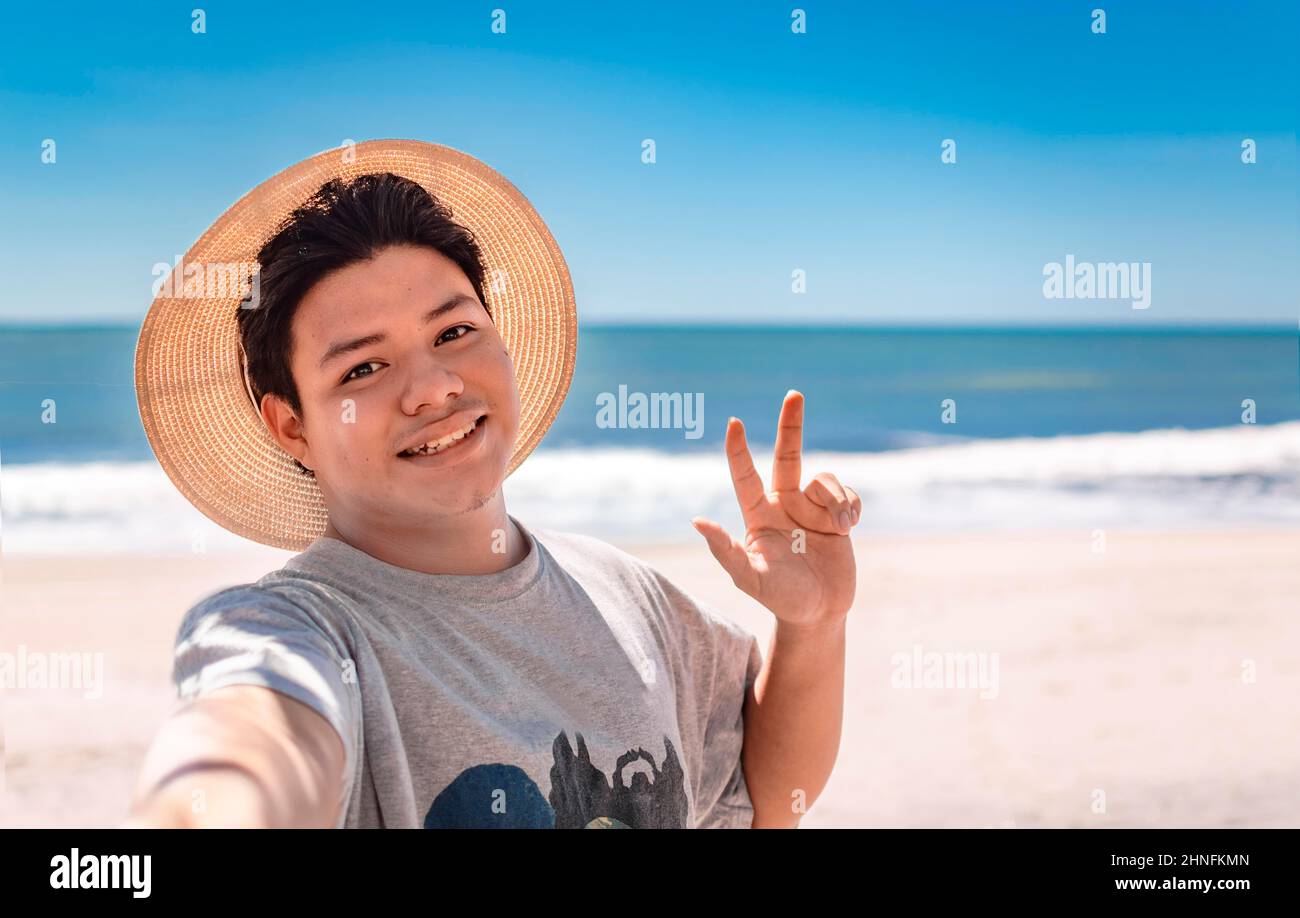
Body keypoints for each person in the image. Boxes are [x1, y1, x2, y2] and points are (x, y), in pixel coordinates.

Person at [126, 142, 860, 829]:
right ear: (292, 428)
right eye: (362, 369)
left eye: (453, 333)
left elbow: (762, 796)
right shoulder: (303, 630)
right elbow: (248, 741)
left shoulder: (624, 592)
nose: (433, 388)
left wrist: (815, 625)